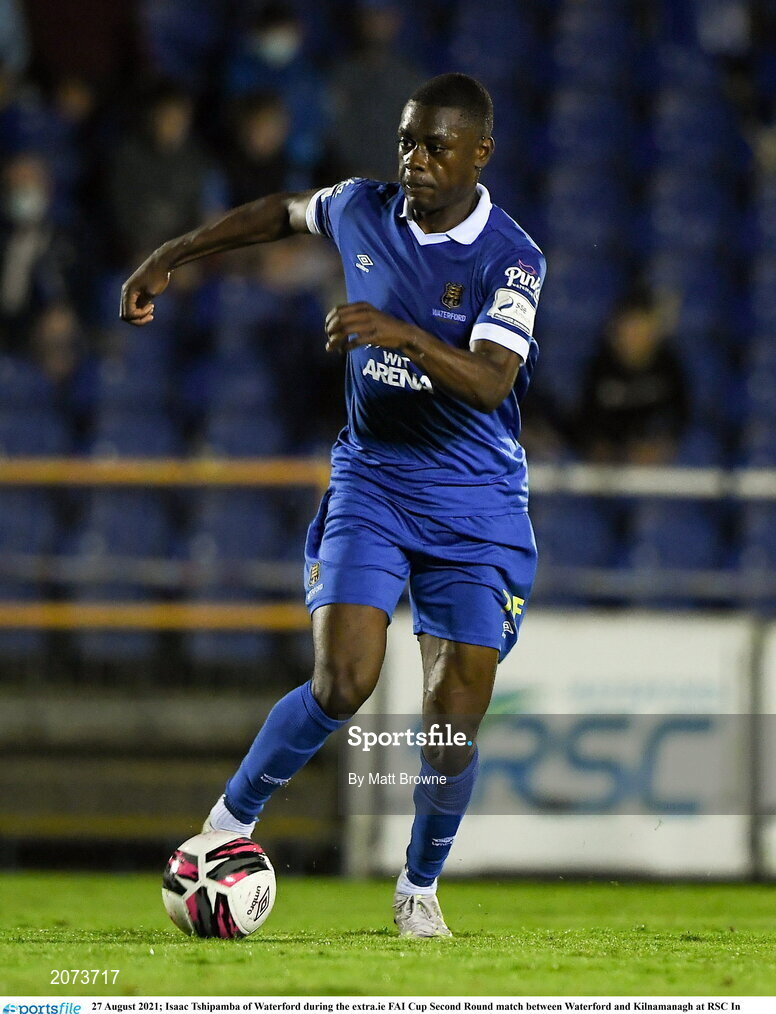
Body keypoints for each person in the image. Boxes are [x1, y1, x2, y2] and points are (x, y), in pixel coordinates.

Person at [120, 73, 546, 938]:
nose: (414, 160)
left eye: (434, 145)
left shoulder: (512, 256)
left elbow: (491, 379)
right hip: (375, 481)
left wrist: (405, 336)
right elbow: (281, 213)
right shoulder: (360, 206)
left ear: (479, 154)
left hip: (477, 501)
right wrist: (174, 253)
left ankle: (418, 889)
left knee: (452, 719)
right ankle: (224, 828)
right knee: (343, 679)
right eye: (405, 140)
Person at [576, 288, 689, 465]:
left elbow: (683, 419)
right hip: (609, 467)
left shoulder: (670, 367)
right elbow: (585, 422)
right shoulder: (600, 367)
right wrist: (603, 449)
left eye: (641, 328)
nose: (634, 336)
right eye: (630, 328)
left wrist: (661, 446)